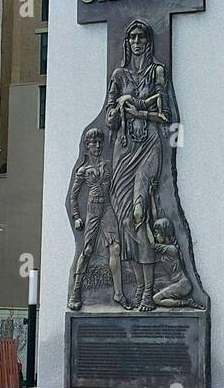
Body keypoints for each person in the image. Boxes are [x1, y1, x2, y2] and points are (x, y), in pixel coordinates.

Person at [106, 21, 170, 312]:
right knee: (126, 221)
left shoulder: (156, 71)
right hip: (123, 149)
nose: (136, 42)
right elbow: (109, 120)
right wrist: (119, 106)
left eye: (141, 37)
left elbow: (164, 115)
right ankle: (139, 287)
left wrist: (140, 110)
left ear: (148, 41)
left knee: (139, 212)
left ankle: (147, 292)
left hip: (148, 147)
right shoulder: (118, 75)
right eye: (131, 37)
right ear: (126, 43)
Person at [67, 128, 129, 311]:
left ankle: (118, 294)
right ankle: (76, 291)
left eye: (100, 142)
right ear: (87, 146)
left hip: (107, 208)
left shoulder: (108, 164)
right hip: (93, 208)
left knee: (116, 248)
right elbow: (73, 197)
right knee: (87, 250)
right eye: (93, 143)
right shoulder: (83, 170)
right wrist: (77, 216)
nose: (98, 146)